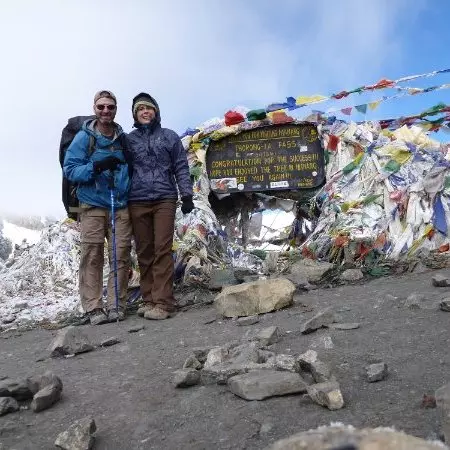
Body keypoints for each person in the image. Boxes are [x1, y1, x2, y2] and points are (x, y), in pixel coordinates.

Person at [63, 90, 132, 324]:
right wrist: (96, 166)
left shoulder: (122, 138)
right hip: (92, 206)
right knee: (92, 256)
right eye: (101, 106)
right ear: (94, 108)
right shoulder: (84, 137)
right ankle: (93, 308)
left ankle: (117, 305)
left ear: (115, 109)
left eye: (110, 107)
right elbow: (70, 170)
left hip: (119, 205)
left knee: (120, 256)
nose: (105, 111)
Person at [127, 92, 194, 320]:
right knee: (144, 252)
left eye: (149, 108)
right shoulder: (129, 140)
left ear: (156, 112)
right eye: (140, 109)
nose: (145, 112)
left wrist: (186, 194)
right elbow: (123, 170)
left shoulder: (169, 137)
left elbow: (181, 166)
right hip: (136, 199)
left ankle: (164, 303)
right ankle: (149, 299)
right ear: (135, 115)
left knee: (162, 249)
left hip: (165, 197)